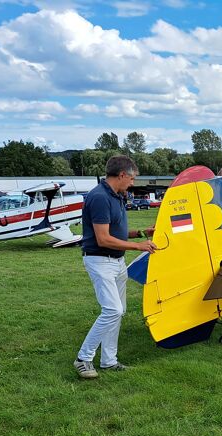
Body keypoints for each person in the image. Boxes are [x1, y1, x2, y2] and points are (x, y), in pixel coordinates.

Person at [74, 155, 157, 379]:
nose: (132, 183)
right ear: (122, 175)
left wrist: (141, 233)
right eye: (131, 178)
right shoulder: (99, 197)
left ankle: (109, 361)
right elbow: (103, 239)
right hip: (101, 261)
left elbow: (115, 232)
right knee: (113, 310)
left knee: (117, 313)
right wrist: (138, 246)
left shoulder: (117, 196)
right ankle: (83, 358)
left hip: (117, 261)